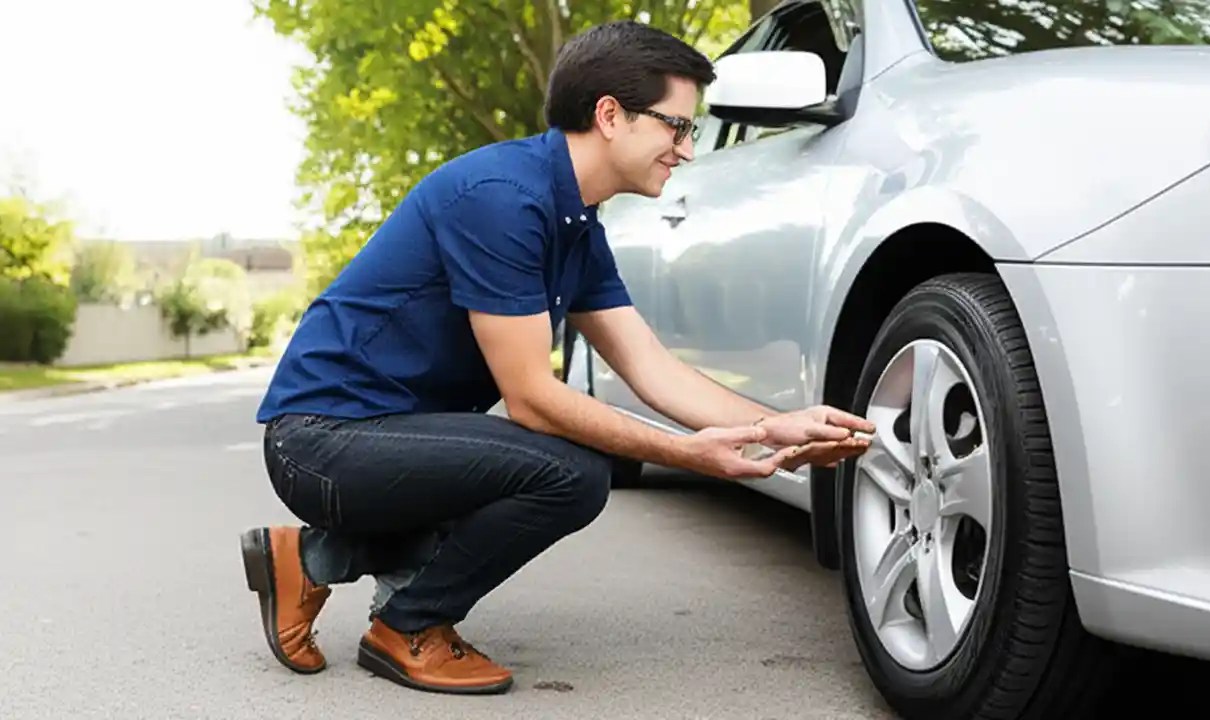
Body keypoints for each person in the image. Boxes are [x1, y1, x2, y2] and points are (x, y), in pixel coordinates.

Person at [240, 20, 875, 696]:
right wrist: (692, 455)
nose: (688, 150)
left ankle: (313, 557)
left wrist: (769, 426)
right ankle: (409, 626)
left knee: (548, 465)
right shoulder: (503, 199)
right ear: (609, 115)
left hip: (396, 438)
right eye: (677, 127)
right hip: (323, 442)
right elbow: (533, 399)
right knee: (568, 472)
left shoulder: (574, 222)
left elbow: (649, 366)